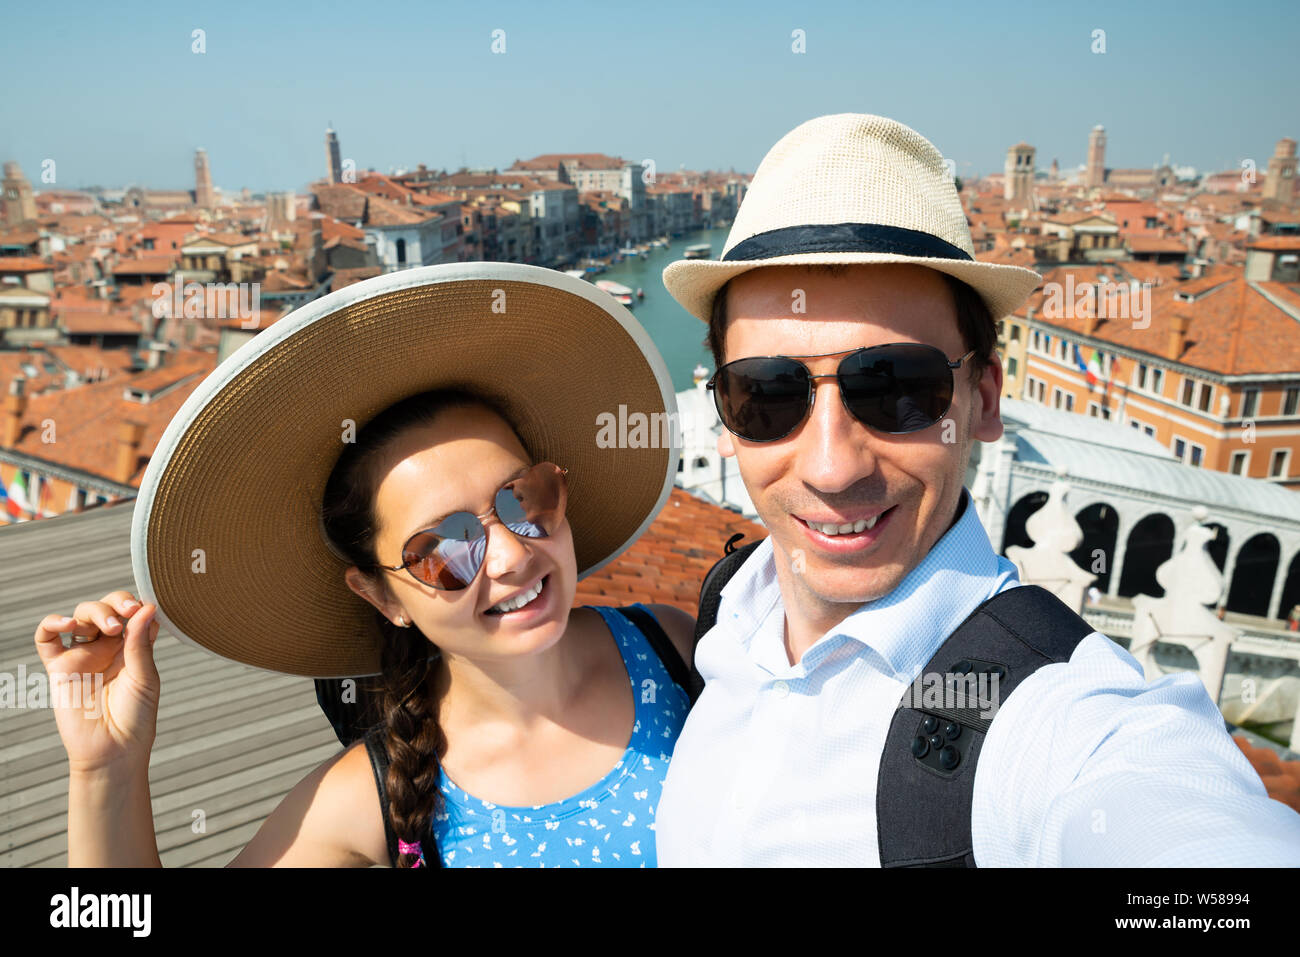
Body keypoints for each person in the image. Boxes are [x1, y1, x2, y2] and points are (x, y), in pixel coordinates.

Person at [653, 113, 1300, 866]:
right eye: (767, 393)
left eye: (897, 387)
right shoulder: (726, 617)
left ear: (984, 399)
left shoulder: (1056, 719)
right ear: (725, 410)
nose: (832, 468)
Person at [34, 263, 695, 867]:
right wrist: (107, 772)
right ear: (384, 597)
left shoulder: (682, 651)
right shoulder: (367, 800)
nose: (515, 552)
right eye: (443, 549)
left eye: (522, 498)